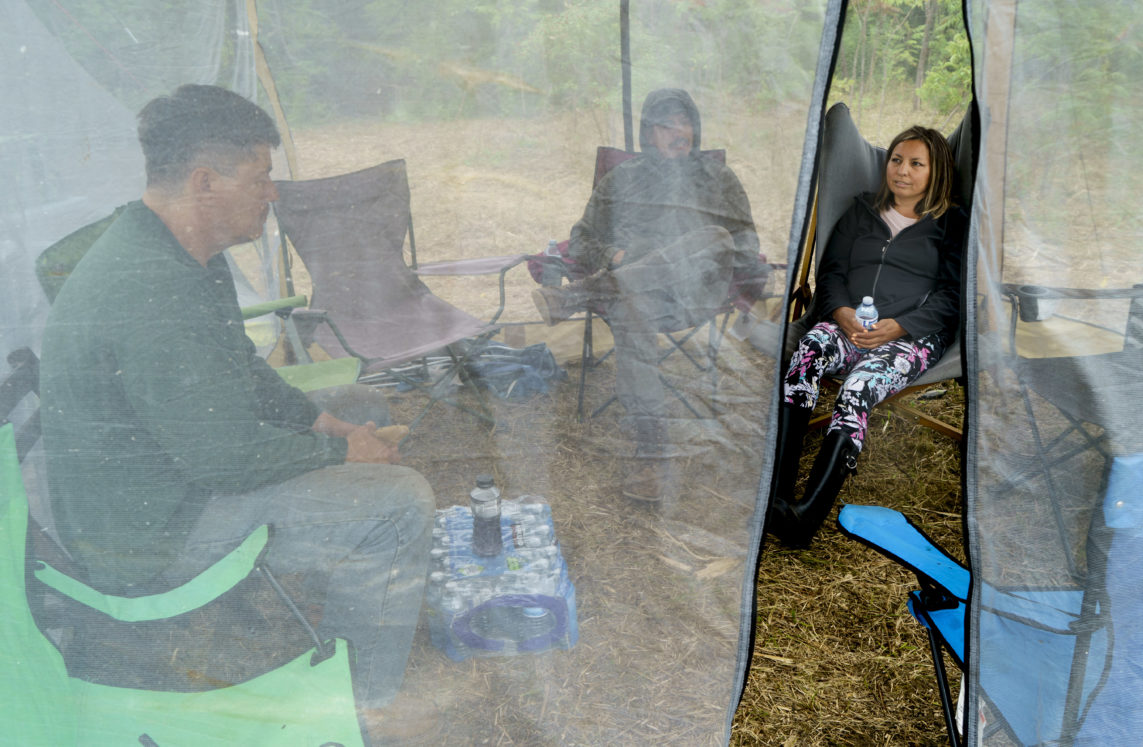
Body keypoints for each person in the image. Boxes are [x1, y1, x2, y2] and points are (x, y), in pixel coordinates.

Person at [40, 84, 434, 740]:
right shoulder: (149, 288)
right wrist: (343, 451)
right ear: (204, 182)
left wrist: (323, 423)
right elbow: (225, 459)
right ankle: (363, 711)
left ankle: (334, 593)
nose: (272, 193)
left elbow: (240, 368)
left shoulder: (179, 248)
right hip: (147, 538)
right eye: (260, 177)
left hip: (164, 482)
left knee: (358, 403)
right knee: (401, 503)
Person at [532, 88, 763, 503]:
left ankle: (581, 294)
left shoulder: (718, 178)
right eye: (666, 125)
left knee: (714, 235)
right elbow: (581, 238)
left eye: (685, 123)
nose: (679, 132)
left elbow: (745, 245)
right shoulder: (623, 178)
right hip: (641, 297)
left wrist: (698, 254)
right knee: (631, 312)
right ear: (648, 134)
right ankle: (652, 457)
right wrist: (616, 255)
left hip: (696, 291)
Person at [765, 125, 965, 548]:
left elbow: (953, 296)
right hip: (850, 324)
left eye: (916, 164)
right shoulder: (861, 211)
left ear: (937, 172)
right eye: (896, 160)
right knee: (808, 351)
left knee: (858, 387)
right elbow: (831, 273)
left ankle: (805, 517)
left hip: (912, 336)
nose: (902, 171)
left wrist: (902, 325)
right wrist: (841, 312)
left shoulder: (951, 223)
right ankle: (776, 495)